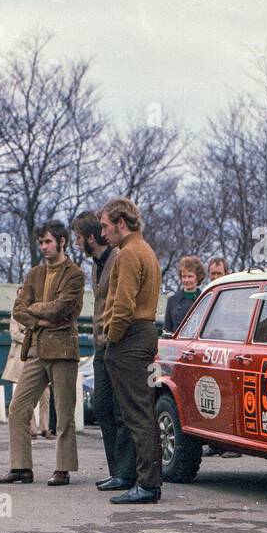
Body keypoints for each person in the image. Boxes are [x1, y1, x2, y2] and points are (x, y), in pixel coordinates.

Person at [0, 221, 85, 487]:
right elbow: (19, 310)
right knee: (18, 408)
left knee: (64, 413)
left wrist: (36, 311)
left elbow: (62, 309)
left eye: (48, 242)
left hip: (63, 350)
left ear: (62, 242)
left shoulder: (75, 274)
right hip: (36, 349)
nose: (44, 247)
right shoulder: (34, 273)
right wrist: (42, 319)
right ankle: (21, 467)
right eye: (41, 242)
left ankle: (63, 469)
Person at [98, 197, 163, 505]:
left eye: (105, 226)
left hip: (130, 338)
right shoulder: (145, 250)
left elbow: (123, 305)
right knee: (140, 411)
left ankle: (148, 483)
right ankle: (140, 478)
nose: (102, 233)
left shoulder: (127, 254)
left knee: (137, 414)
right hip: (142, 334)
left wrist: (111, 337)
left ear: (120, 223)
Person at [71, 211, 134, 491]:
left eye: (78, 237)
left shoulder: (118, 258)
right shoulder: (96, 266)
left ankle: (126, 473)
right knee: (102, 406)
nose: (76, 242)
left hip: (117, 343)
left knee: (121, 411)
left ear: (90, 237)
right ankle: (115, 470)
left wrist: (111, 335)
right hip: (101, 347)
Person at [2, 313, 50, 439]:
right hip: (21, 355)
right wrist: (31, 338)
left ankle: (45, 427)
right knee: (26, 391)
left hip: (40, 351)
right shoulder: (16, 313)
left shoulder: (39, 310)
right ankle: (32, 429)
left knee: (45, 392)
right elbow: (14, 334)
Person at [163, 256, 204, 334]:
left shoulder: (204, 299)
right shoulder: (172, 300)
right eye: (184, 276)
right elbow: (167, 329)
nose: (186, 280)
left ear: (198, 277)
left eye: (190, 276)